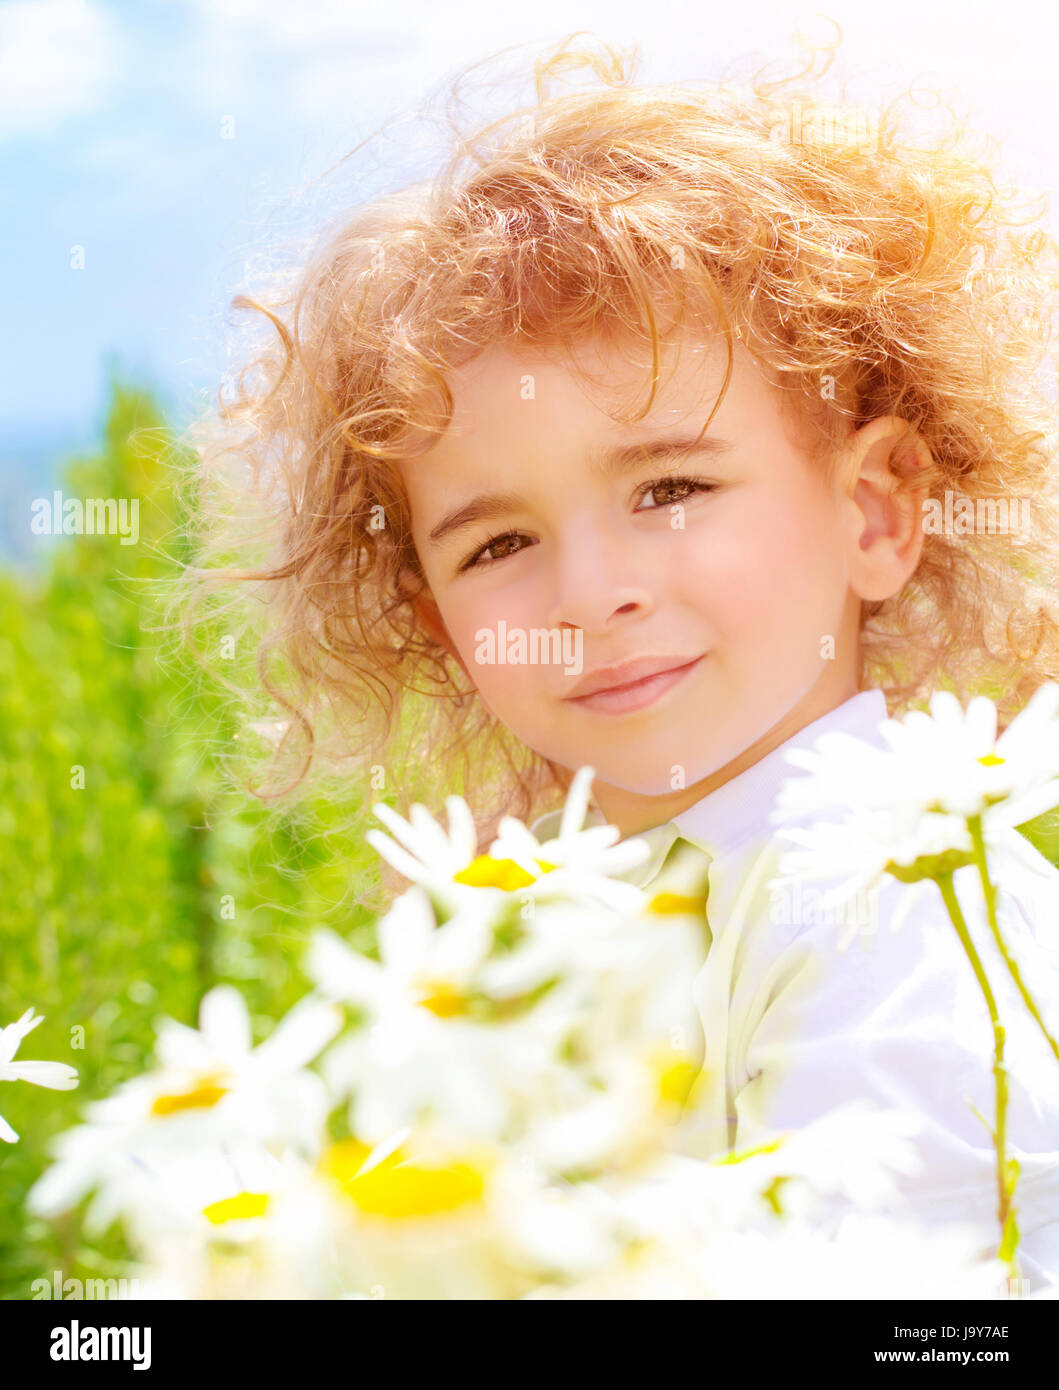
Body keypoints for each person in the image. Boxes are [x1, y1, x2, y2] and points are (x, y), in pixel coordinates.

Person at [181, 36, 1059, 1289]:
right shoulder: (520, 943)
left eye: (671, 485)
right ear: (440, 626)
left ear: (873, 511)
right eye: (497, 545)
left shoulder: (907, 909)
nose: (592, 593)